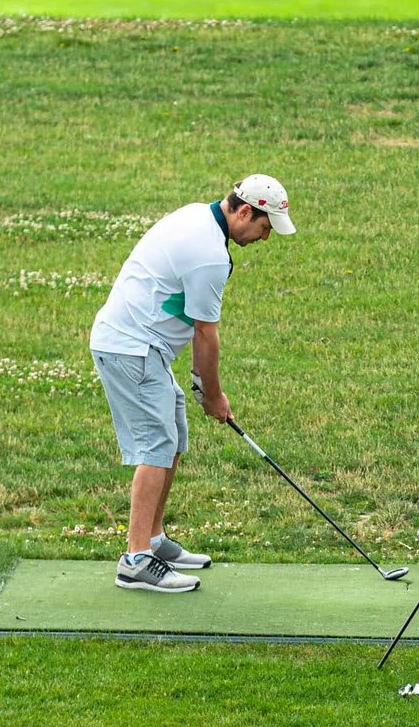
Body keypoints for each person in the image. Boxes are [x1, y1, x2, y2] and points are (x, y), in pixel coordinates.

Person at [89, 175, 295, 592]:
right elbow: (206, 334)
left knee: (174, 431)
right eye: (264, 226)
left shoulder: (197, 216)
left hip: (140, 345)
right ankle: (135, 559)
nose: (265, 237)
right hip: (131, 348)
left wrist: (204, 389)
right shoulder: (209, 256)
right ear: (243, 212)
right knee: (157, 444)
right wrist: (213, 395)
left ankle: (153, 539)